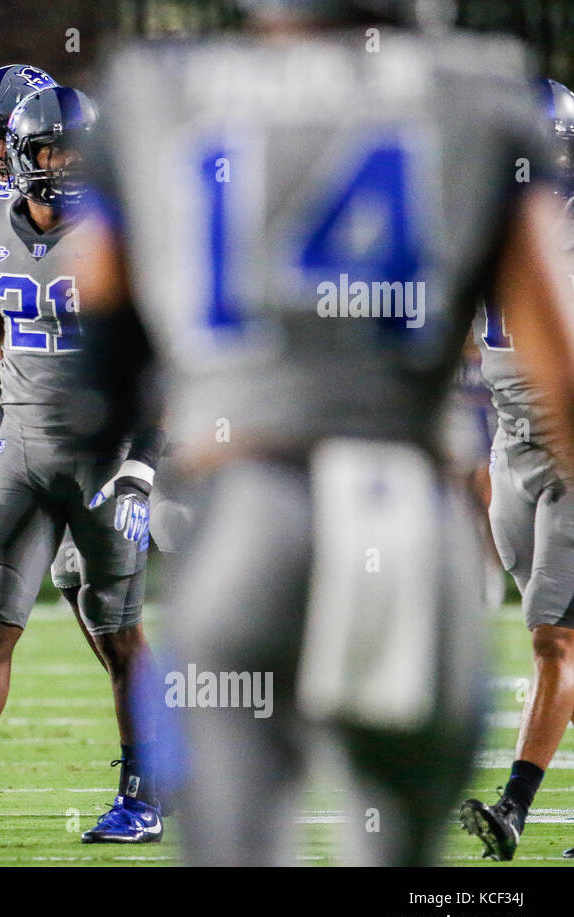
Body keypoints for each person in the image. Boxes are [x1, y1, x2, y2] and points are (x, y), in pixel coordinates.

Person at [83, 0, 574, 864]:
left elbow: (105, 347)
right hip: (405, 513)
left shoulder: (156, 88)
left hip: (247, 506)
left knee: (235, 839)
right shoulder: (477, 87)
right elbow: (559, 368)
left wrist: (138, 456)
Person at [0, 87, 164, 847]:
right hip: (21, 451)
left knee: (117, 631)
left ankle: (143, 794)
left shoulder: (126, 231)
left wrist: (144, 469)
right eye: (56, 151)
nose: (72, 165)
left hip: (105, 456)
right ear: (21, 156)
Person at [459, 77, 574, 861]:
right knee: (560, 641)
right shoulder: (470, 229)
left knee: (553, 639)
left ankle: (514, 807)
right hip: (511, 449)